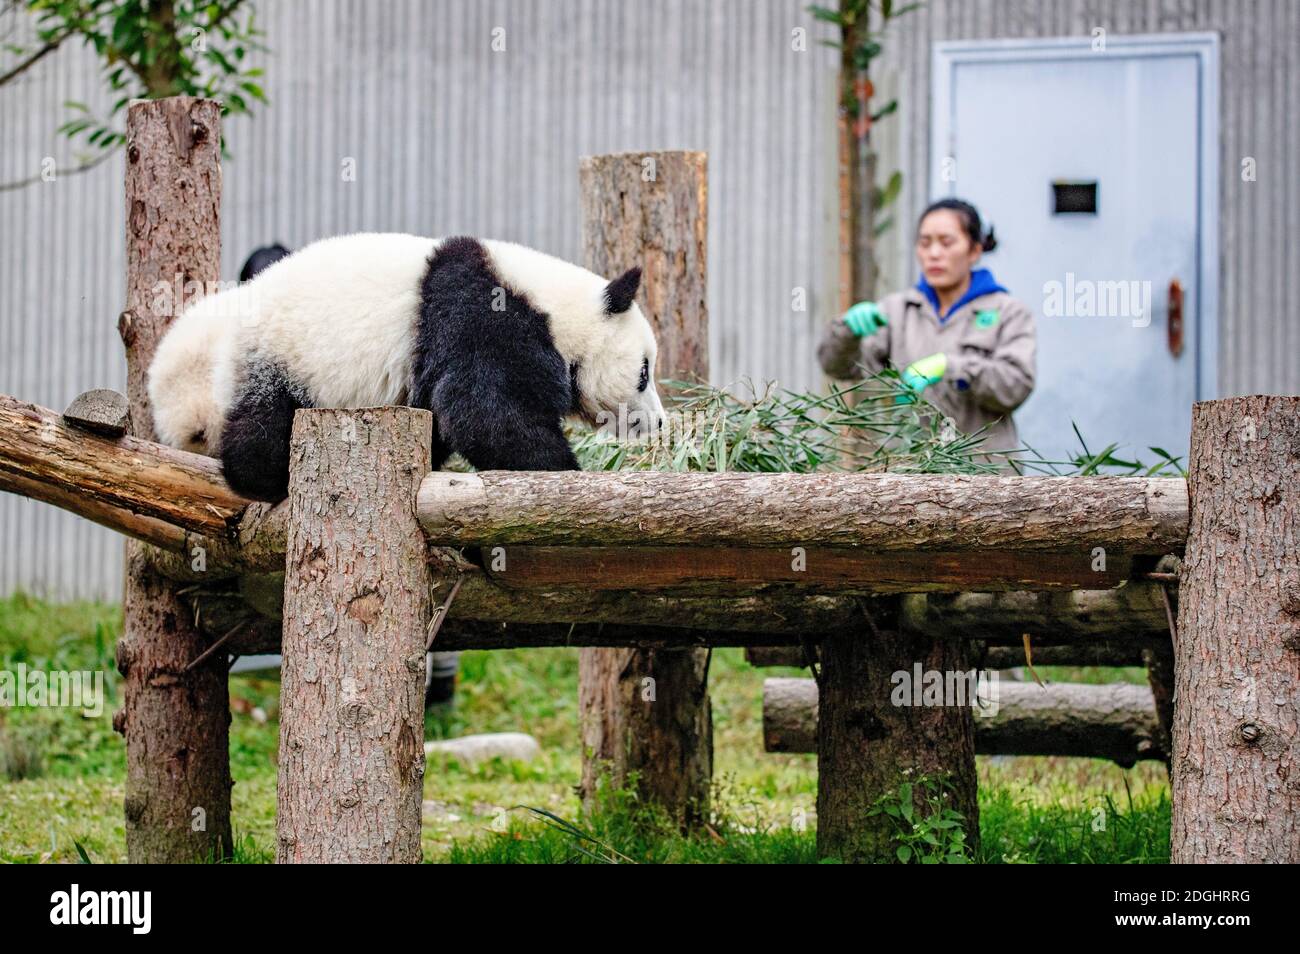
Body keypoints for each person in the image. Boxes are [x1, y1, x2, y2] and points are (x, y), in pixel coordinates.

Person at [817, 198, 1035, 455]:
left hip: (984, 471)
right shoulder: (897, 311)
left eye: (946, 242)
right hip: (914, 468)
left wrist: (952, 368)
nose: (933, 253)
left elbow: (1016, 386)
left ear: (975, 250)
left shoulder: (1008, 312)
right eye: (925, 243)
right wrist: (846, 332)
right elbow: (839, 368)